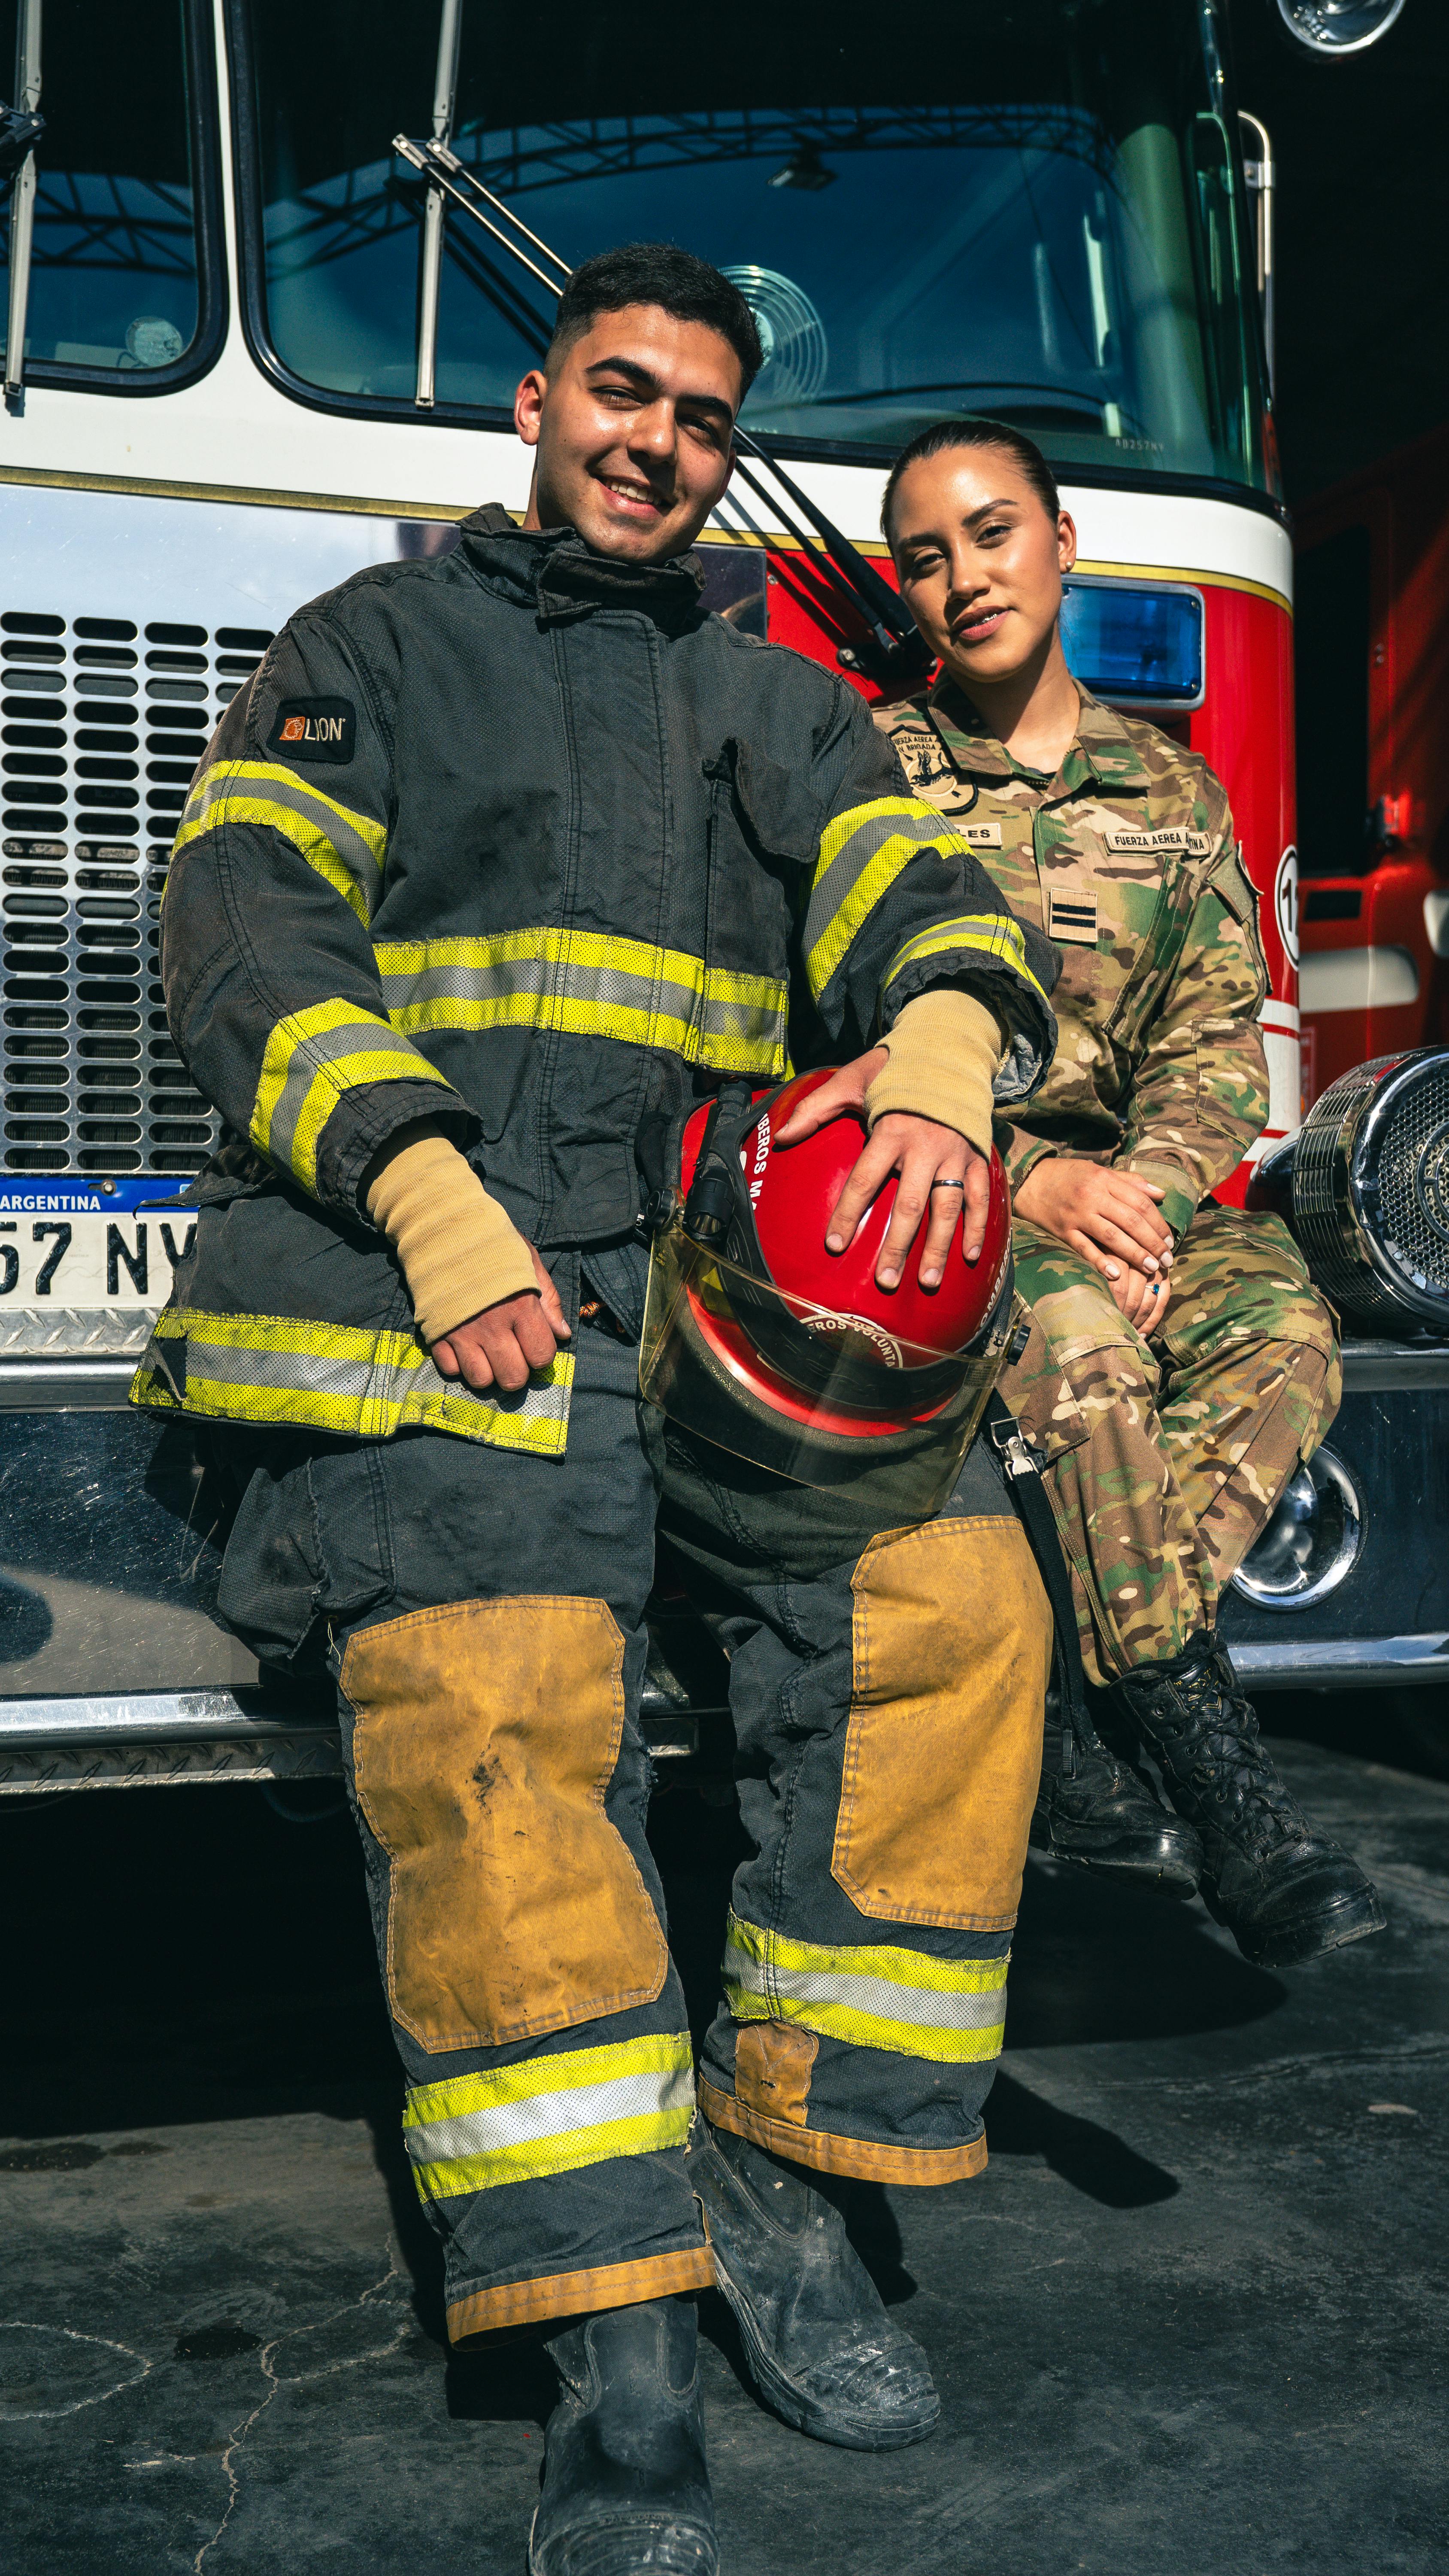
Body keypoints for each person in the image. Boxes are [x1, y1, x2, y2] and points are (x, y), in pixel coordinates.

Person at [135, 249, 1061, 2575]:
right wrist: (422, 1186)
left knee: (960, 1605)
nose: (650, 436)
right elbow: (246, 926)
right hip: (425, 1305)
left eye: (694, 411)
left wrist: (952, 1037)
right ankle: (618, 2336)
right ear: (540, 399)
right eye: (618, 390)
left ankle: (781, 2162)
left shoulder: (783, 706)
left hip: (699, 1330)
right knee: (503, 1700)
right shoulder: (366, 649)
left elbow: (922, 896)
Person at [874, 417, 1385, 1974]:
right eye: (926, 556)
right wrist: (1043, 1186)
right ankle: (1227, 1790)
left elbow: (1219, 1042)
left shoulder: (1167, 789)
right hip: (950, 1196)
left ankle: (1076, 1690)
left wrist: (1146, 1198)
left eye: (995, 533)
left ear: (1064, 543)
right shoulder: (873, 777)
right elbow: (838, 1034)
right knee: (1089, 1358)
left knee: (1287, 1333)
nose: (966, 577)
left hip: (1134, 1209)